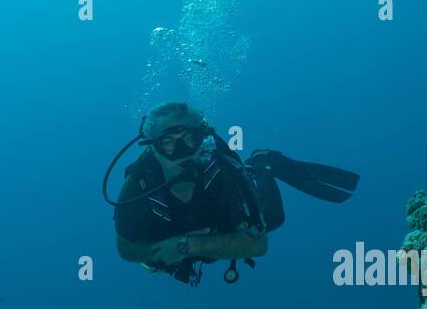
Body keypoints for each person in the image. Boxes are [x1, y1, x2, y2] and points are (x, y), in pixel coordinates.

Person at [104, 102, 358, 284]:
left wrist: (184, 246)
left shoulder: (221, 170)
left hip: (219, 222)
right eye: (168, 144)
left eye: (189, 139)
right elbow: (125, 247)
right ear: (155, 149)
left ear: (200, 139)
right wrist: (157, 253)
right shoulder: (140, 184)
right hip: (169, 241)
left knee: (273, 218)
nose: (182, 151)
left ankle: (263, 164)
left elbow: (258, 245)